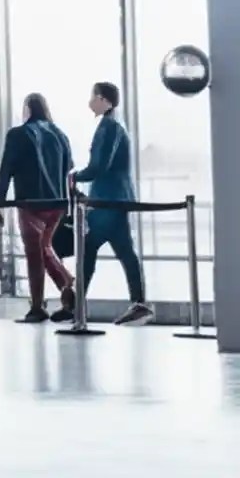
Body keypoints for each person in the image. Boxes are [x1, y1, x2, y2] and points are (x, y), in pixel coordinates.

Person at [67, 82, 153, 326]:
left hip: (106, 200)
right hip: (117, 199)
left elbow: (98, 167)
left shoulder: (109, 127)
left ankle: (77, 308)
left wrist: (75, 176)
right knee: (124, 251)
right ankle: (138, 303)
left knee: (88, 248)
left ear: (104, 100)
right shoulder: (116, 126)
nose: (90, 102)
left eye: (92, 97)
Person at [0, 93, 75, 322]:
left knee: (34, 254)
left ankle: (37, 306)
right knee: (44, 247)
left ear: (27, 108)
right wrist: (69, 203)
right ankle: (67, 286)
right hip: (57, 204)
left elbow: (6, 170)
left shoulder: (18, 134)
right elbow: (70, 172)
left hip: (30, 203)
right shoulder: (61, 136)